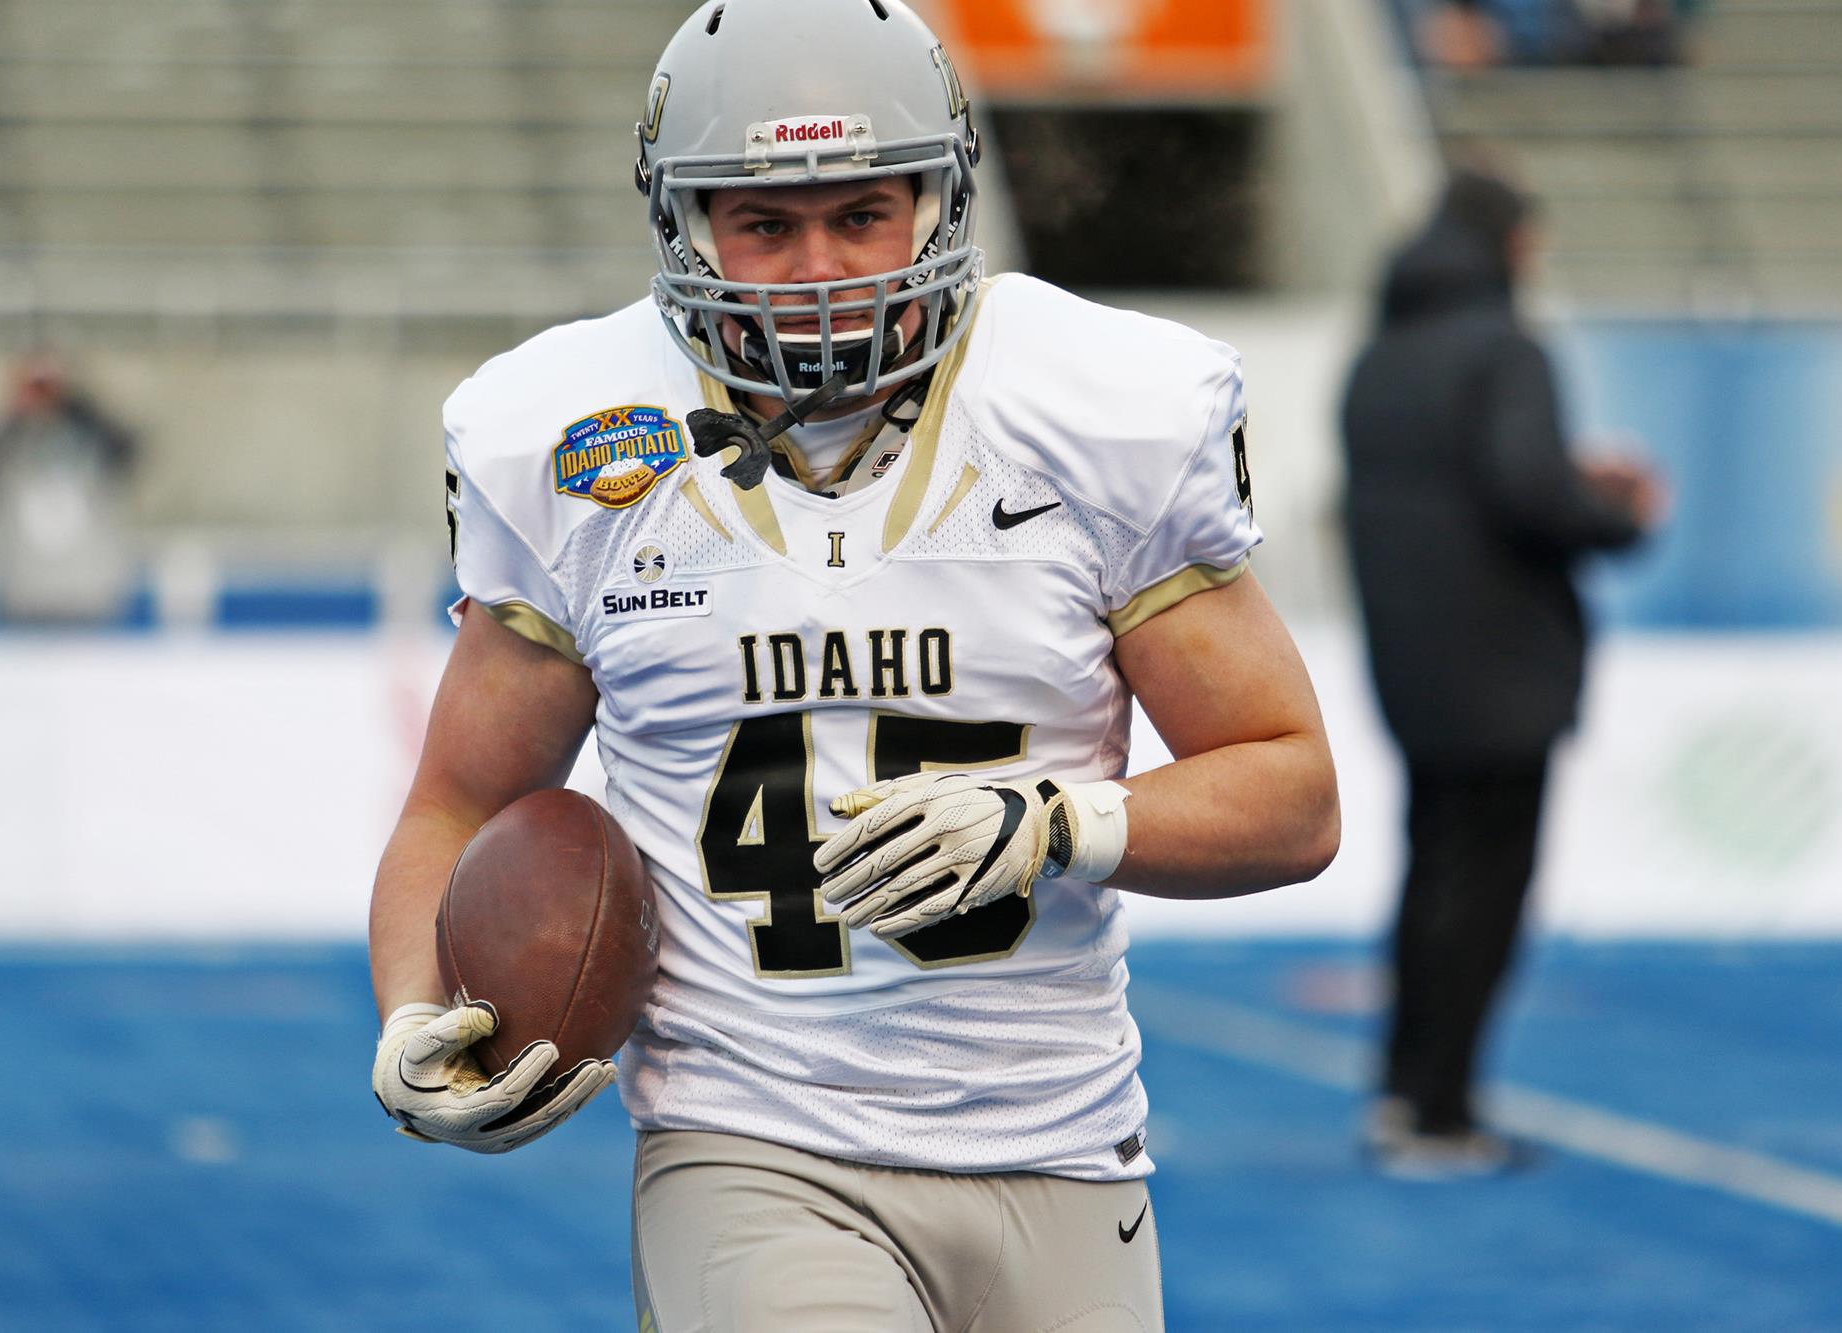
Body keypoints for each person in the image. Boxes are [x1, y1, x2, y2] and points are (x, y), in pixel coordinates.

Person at [368, 2, 1339, 1327]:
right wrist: (416, 1010)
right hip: (749, 1136)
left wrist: (1059, 821)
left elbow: (1293, 788)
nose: (820, 266)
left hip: (1060, 1135)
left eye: (862, 214)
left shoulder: (1088, 412)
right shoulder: (579, 441)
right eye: (766, 224)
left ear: (941, 203)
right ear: (685, 222)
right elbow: (460, 802)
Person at [1339, 167, 1666, 1178]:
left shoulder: (1377, 354)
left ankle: (1403, 1092)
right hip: (1500, 669)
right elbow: (1530, 494)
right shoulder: (1504, 349)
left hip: (1409, 665)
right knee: (1484, 892)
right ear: (1508, 242)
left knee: (1428, 873)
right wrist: (1616, 509)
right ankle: (1442, 1115)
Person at [0, 351, 140, 624]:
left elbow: (127, 454)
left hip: (89, 594)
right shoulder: (11, 440)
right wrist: (12, 417)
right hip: (26, 595)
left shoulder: (89, 436)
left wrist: (79, 407)